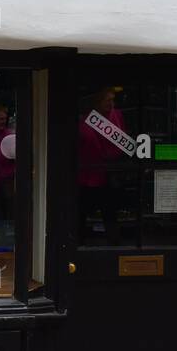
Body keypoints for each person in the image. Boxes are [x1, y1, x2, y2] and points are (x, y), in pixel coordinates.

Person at [78, 88, 125, 243]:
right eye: (107, 100)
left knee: (110, 214)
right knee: (81, 213)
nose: (111, 104)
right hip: (87, 175)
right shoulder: (84, 121)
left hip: (108, 175)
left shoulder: (117, 116)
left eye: (113, 100)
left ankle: (114, 244)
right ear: (97, 103)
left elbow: (123, 145)